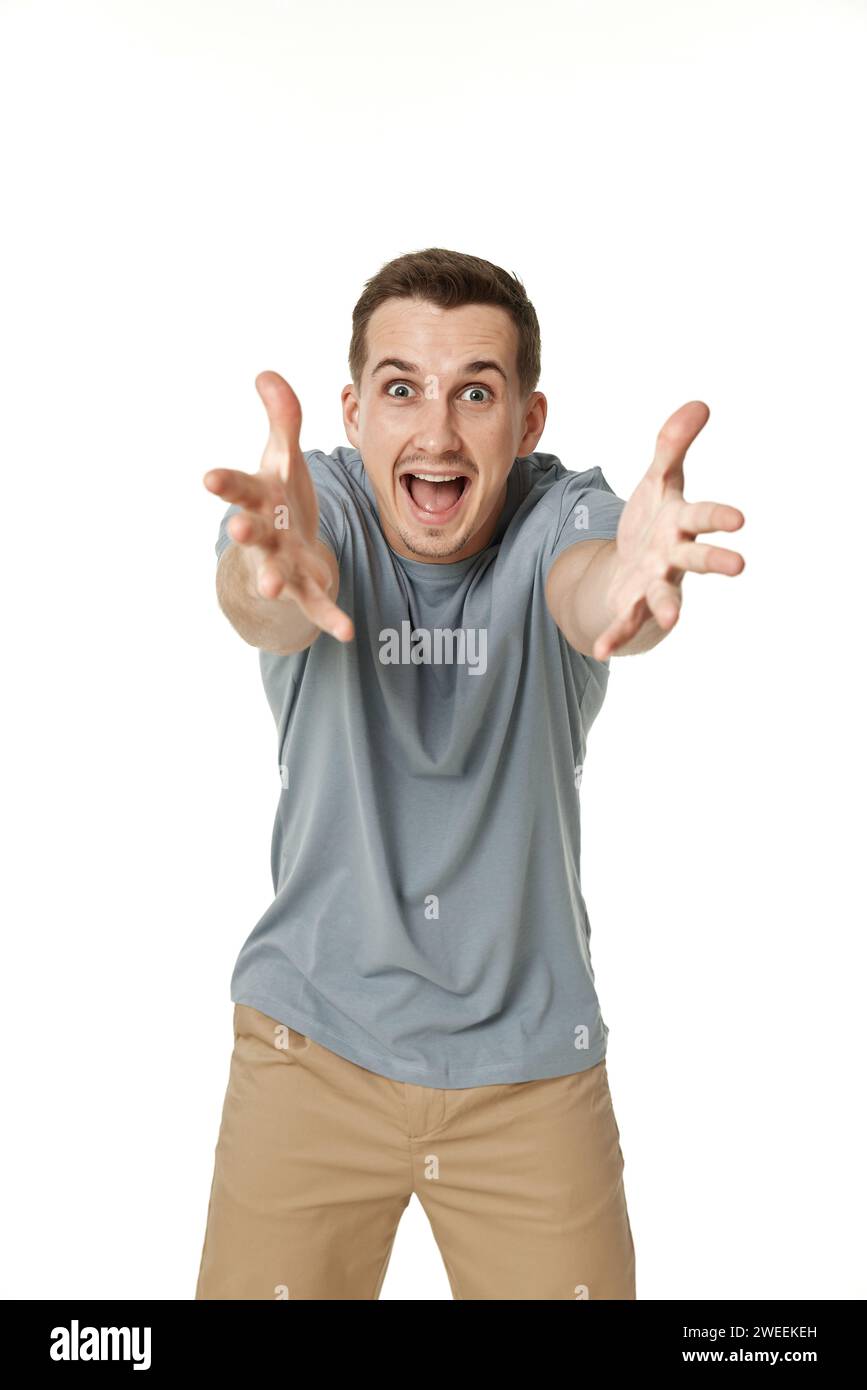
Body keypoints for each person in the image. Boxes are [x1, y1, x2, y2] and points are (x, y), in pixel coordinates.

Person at [195, 247, 745, 1300]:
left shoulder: (561, 516)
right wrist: (265, 571)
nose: (437, 432)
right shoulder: (316, 513)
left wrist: (628, 588)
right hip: (310, 1045)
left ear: (527, 423)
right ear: (355, 411)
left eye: (475, 394)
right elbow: (264, 595)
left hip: (529, 1070)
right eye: (402, 389)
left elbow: (594, 595)